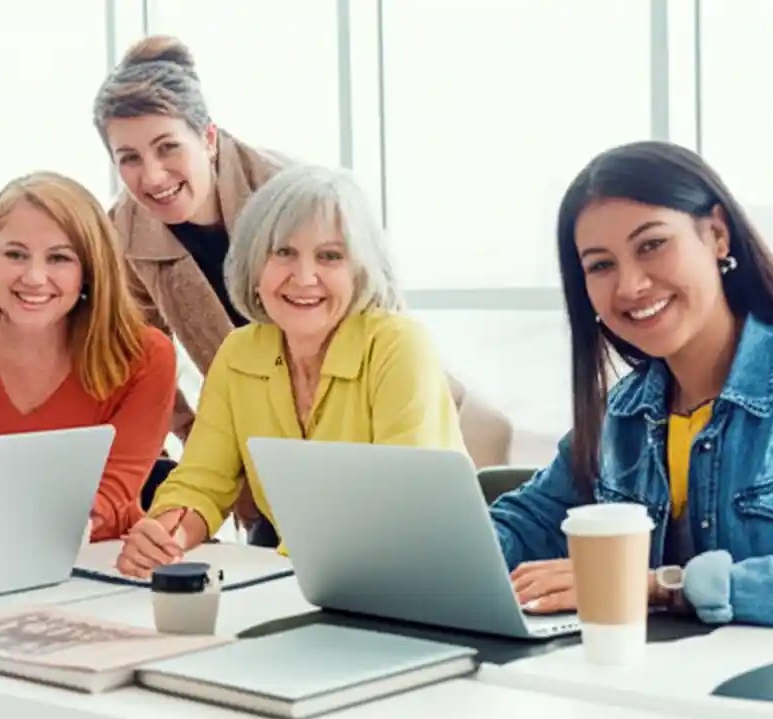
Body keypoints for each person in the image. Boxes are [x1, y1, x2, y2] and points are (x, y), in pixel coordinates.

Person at [94, 35, 514, 543]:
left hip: (382, 418)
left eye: (167, 148)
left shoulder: (291, 191)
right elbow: (149, 361)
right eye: (129, 158)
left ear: (207, 138)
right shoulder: (128, 235)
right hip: (268, 422)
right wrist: (198, 484)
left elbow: (378, 301)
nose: (152, 175)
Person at [490, 141, 773, 627]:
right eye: (600, 264)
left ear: (717, 235)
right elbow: (528, 521)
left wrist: (660, 586)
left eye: (652, 245)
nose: (630, 285)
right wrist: (424, 556)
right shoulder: (624, 413)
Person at [115, 165, 467, 578]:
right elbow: (201, 482)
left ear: (359, 269)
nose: (303, 278)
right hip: (310, 586)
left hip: (417, 579)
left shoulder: (398, 345)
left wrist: (279, 566)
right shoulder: (239, 353)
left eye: (329, 256)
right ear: (254, 262)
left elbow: (399, 506)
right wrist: (165, 533)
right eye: (283, 252)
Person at [0, 171, 175, 542]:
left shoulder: (144, 355)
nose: (35, 277)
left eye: (59, 258)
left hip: (104, 563)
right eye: (16, 254)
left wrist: (39, 542)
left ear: (89, 270)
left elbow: (114, 489)